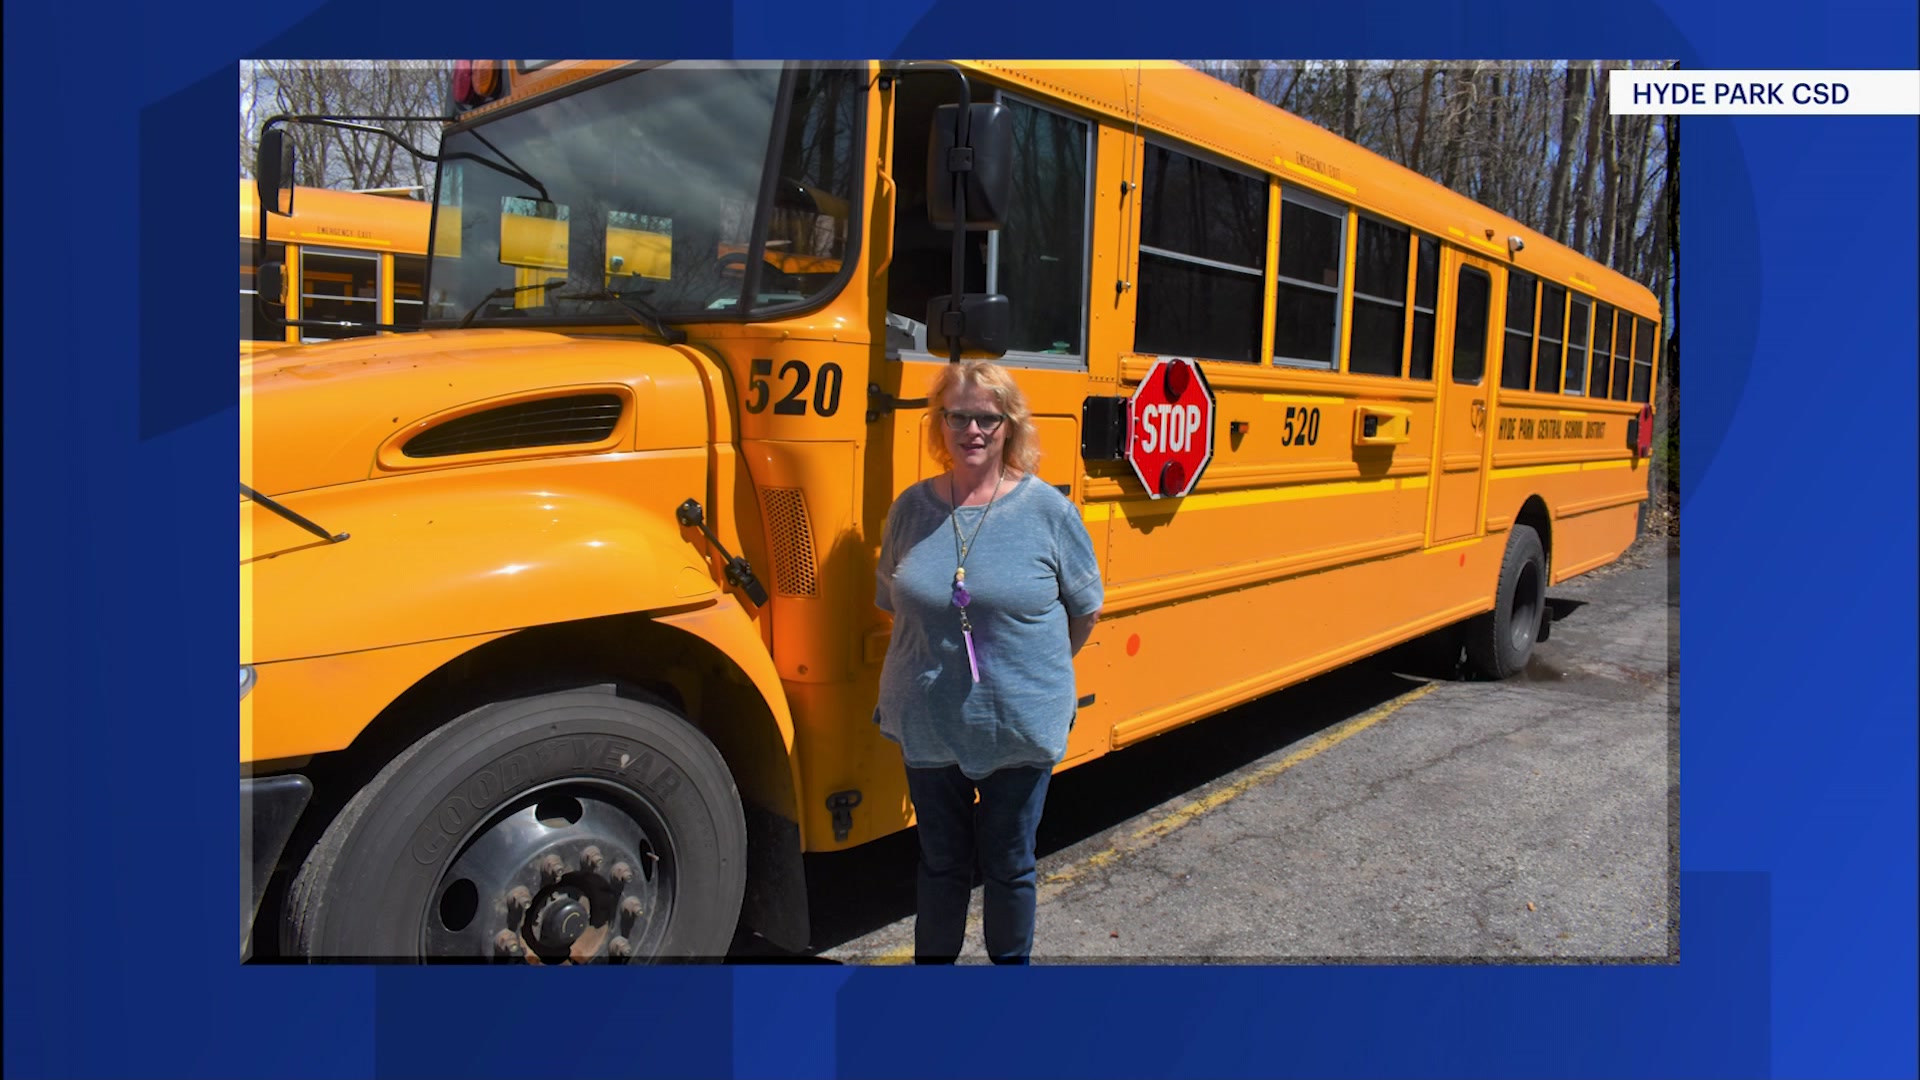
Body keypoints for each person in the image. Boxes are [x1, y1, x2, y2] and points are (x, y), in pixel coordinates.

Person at [872, 359, 1104, 964]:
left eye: (986, 418)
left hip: (1020, 723)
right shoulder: (911, 510)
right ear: (939, 424)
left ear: (1009, 426)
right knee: (941, 863)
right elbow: (893, 602)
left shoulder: (1047, 512)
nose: (971, 430)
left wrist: (1032, 672)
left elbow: (1085, 610)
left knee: (1008, 864)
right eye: (958, 416)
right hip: (929, 720)